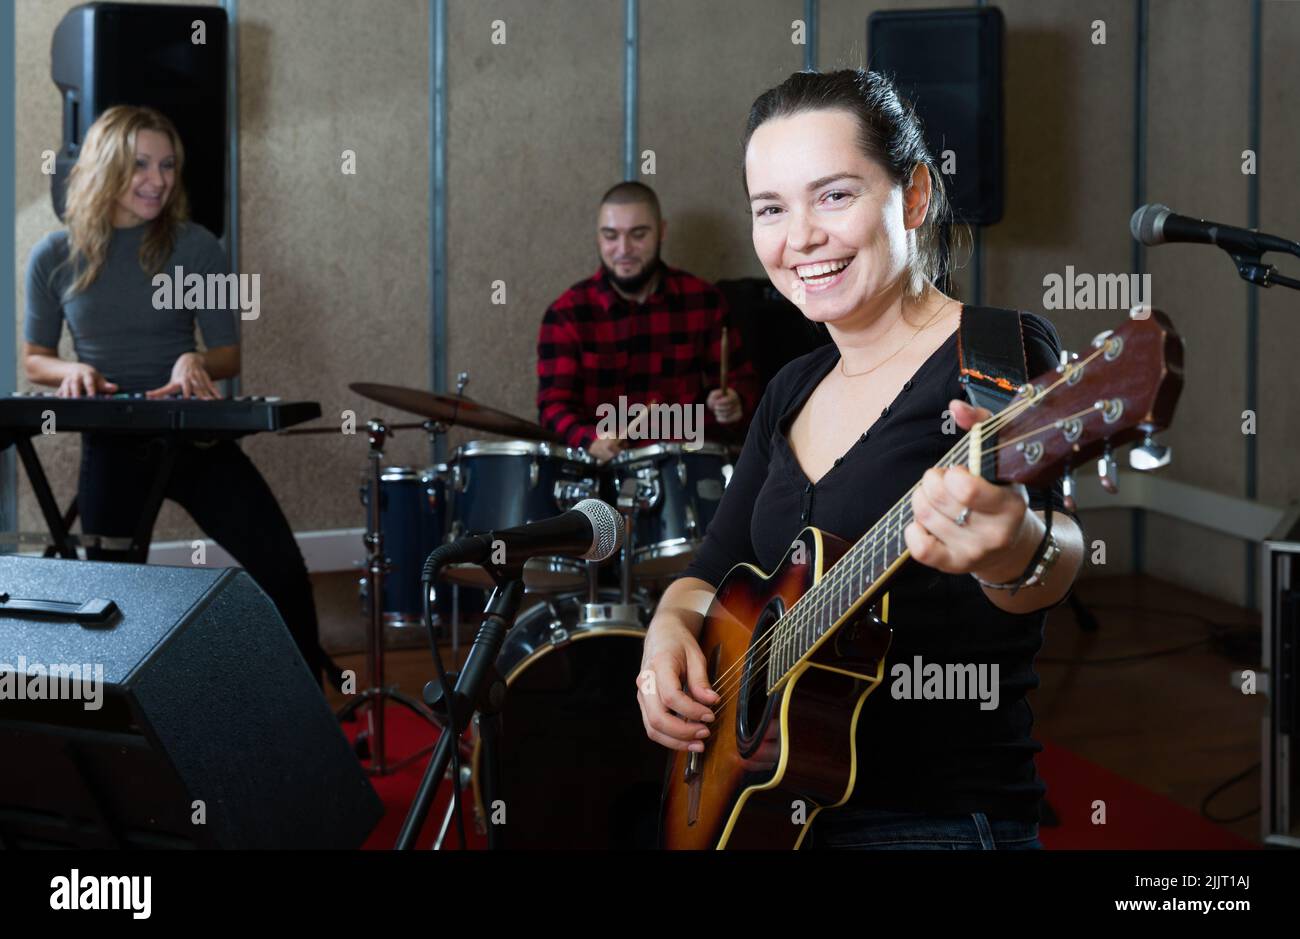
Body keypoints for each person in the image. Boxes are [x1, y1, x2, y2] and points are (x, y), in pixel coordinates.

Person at [637, 69, 1085, 850]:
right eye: (771, 208)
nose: (799, 236)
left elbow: (1052, 550)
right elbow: (710, 569)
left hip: (934, 814)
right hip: (769, 805)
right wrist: (668, 629)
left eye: (833, 195)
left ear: (913, 197)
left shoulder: (994, 353)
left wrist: (1011, 548)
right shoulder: (791, 386)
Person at [22, 105, 338, 689]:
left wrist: (196, 358)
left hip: (195, 439)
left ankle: (310, 712)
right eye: (141, 164)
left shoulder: (197, 247)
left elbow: (228, 353)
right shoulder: (53, 256)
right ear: (105, 166)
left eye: (168, 165)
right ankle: (120, 724)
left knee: (283, 569)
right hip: (114, 444)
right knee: (108, 594)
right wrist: (72, 369)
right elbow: (33, 357)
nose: (158, 179)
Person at [536, 182, 759, 462]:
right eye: (610, 236)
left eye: (638, 235)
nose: (623, 249)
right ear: (597, 237)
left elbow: (744, 384)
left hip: (684, 465)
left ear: (661, 232)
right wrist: (589, 439)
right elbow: (552, 405)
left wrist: (734, 402)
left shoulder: (703, 300)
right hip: (599, 472)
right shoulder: (566, 313)